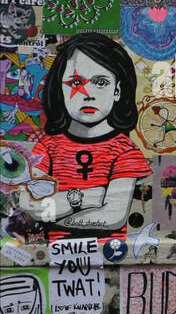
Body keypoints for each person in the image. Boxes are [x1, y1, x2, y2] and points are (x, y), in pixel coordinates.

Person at [15, 33, 151, 242]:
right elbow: (29, 205)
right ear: (59, 87)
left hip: (107, 260)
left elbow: (112, 217)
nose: (88, 93)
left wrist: (52, 213)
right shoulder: (47, 147)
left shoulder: (125, 152)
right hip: (56, 259)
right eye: (76, 81)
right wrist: (86, 197)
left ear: (117, 91)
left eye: (101, 82)